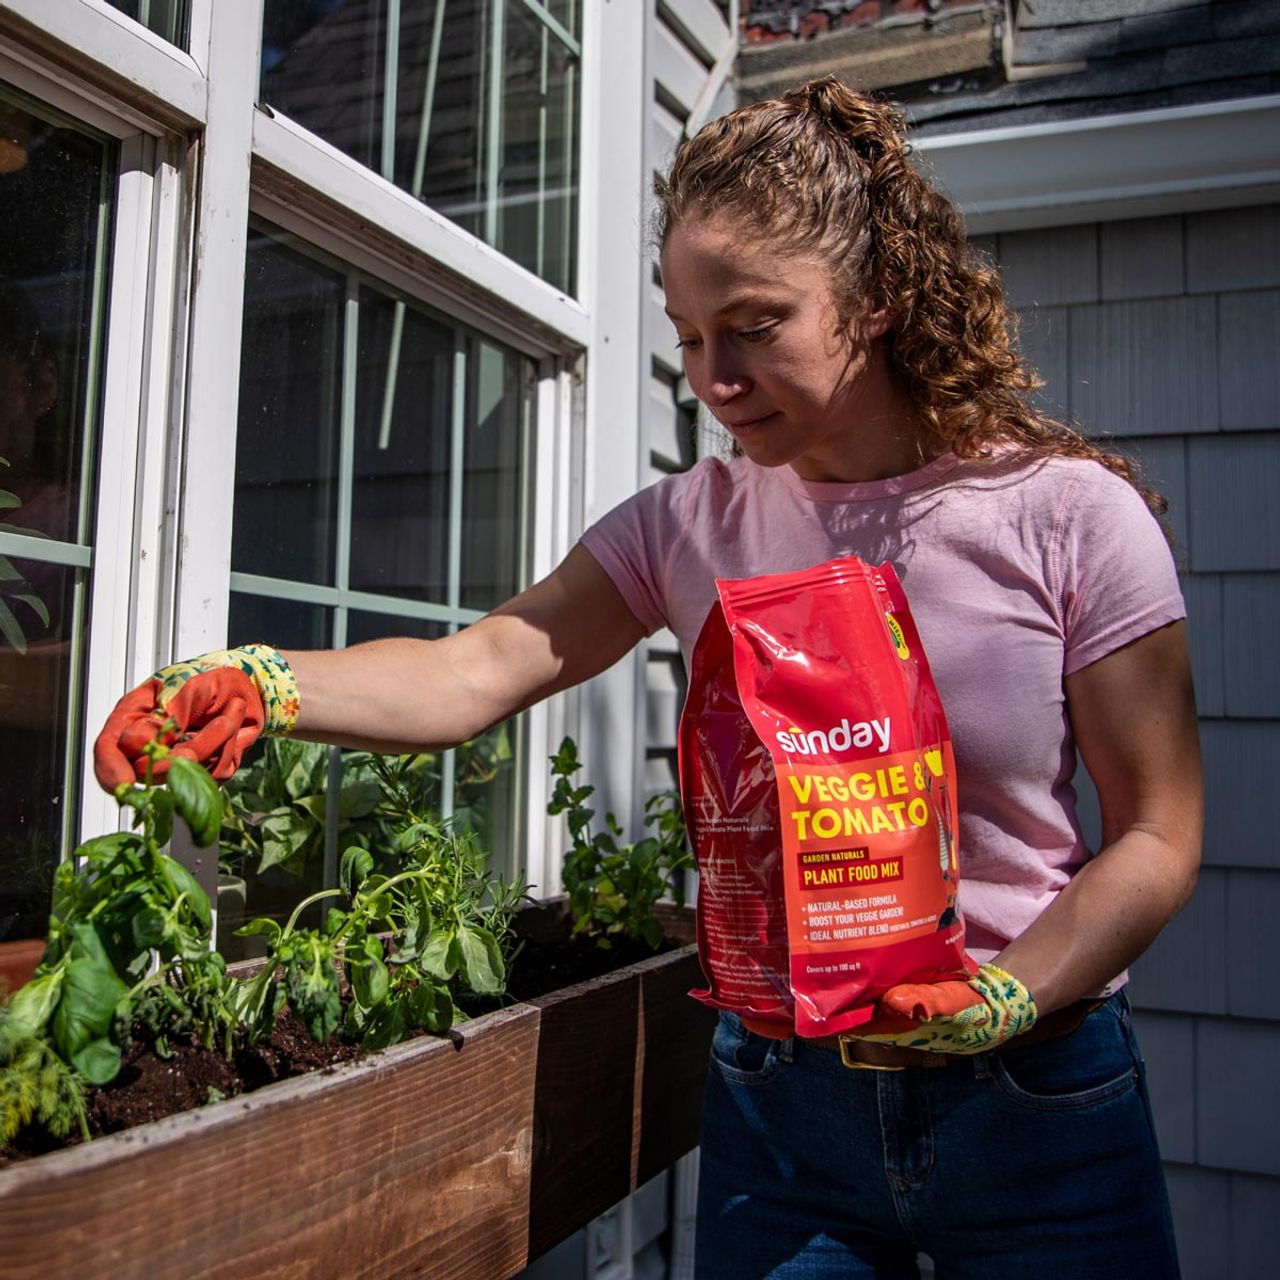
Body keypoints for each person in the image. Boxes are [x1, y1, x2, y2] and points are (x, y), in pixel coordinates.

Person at [93, 78, 1201, 1278]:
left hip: (1034, 1099)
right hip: (786, 1107)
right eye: (684, 337)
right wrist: (263, 679)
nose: (709, 378)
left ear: (875, 299)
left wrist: (1001, 993)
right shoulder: (686, 526)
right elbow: (474, 666)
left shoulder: (1065, 517)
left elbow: (1156, 830)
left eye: (753, 324)